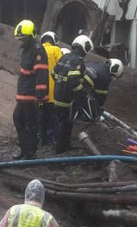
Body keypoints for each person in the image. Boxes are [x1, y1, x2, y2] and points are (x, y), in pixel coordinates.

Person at [12, 20, 49, 160]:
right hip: (22, 95)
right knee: (18, 120)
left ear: (30, 36)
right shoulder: (27, 50)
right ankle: (24, 149)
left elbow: (42, 74)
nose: (21, 41)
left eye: (23, 38)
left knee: (31, 124)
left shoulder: (37, 51)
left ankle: (30, 152)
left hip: (32, 97)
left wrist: (40, 96)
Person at [52, 36, 90, 153]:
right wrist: (82, 92)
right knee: (66, 123)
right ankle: (61, 148)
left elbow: (53, 73)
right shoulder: (78, 61)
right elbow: (73, 81)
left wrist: (60, 83)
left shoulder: (65, 57)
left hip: (57, 94)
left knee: (60, 121)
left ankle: (61, 145)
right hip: (67, 98)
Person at [80, 56, 124, 122]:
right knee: (92, 106)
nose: (112, 78)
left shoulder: (95, 64)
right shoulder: (105, 76)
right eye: (114, 76)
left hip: (72, 84)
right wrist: (98, 109)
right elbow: (101, 96)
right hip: (81, 90)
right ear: (115, 70)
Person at [39, 31, 61, 146]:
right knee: (53, 118)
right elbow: (61, 67)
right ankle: (53, 140)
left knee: (41, 117)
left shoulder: (36, 50)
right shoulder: (56, 50)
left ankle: (41, 140)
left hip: (39, 92)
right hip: (54, 92)